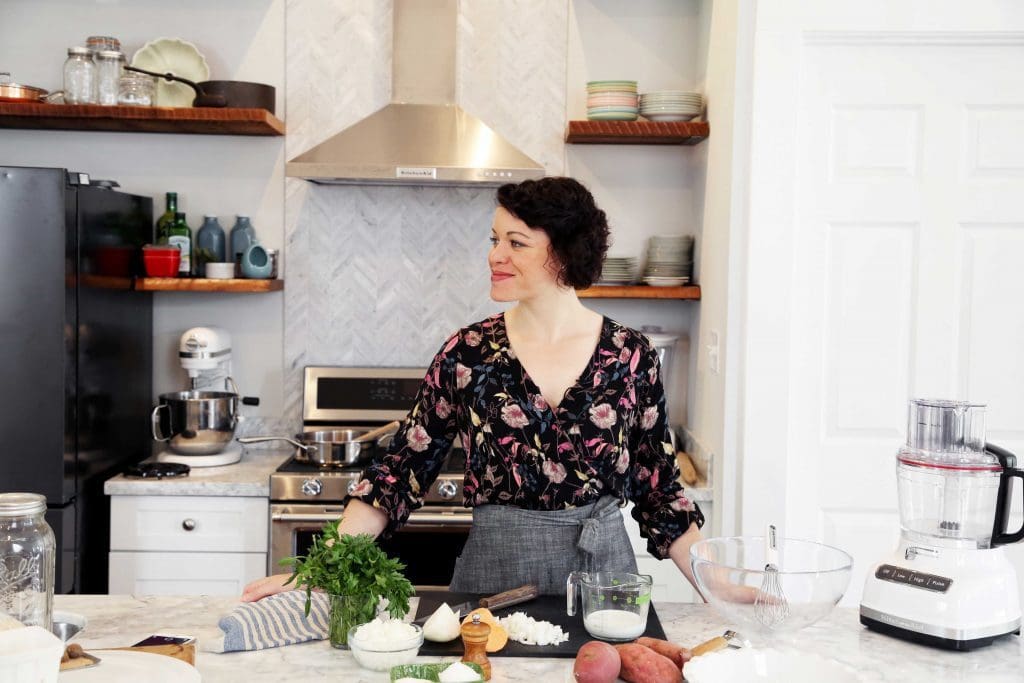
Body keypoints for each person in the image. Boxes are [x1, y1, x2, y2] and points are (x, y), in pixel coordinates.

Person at [243, 176, 704, 602]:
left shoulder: (629, 354)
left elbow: (659, 488)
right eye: (494, 239)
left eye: (515, 242)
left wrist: (717, 583)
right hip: (494, 584)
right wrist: (322, 566)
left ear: (565, 252)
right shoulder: (469, 352)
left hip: (604, 588)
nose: (494, 255)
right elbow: (402, 469)